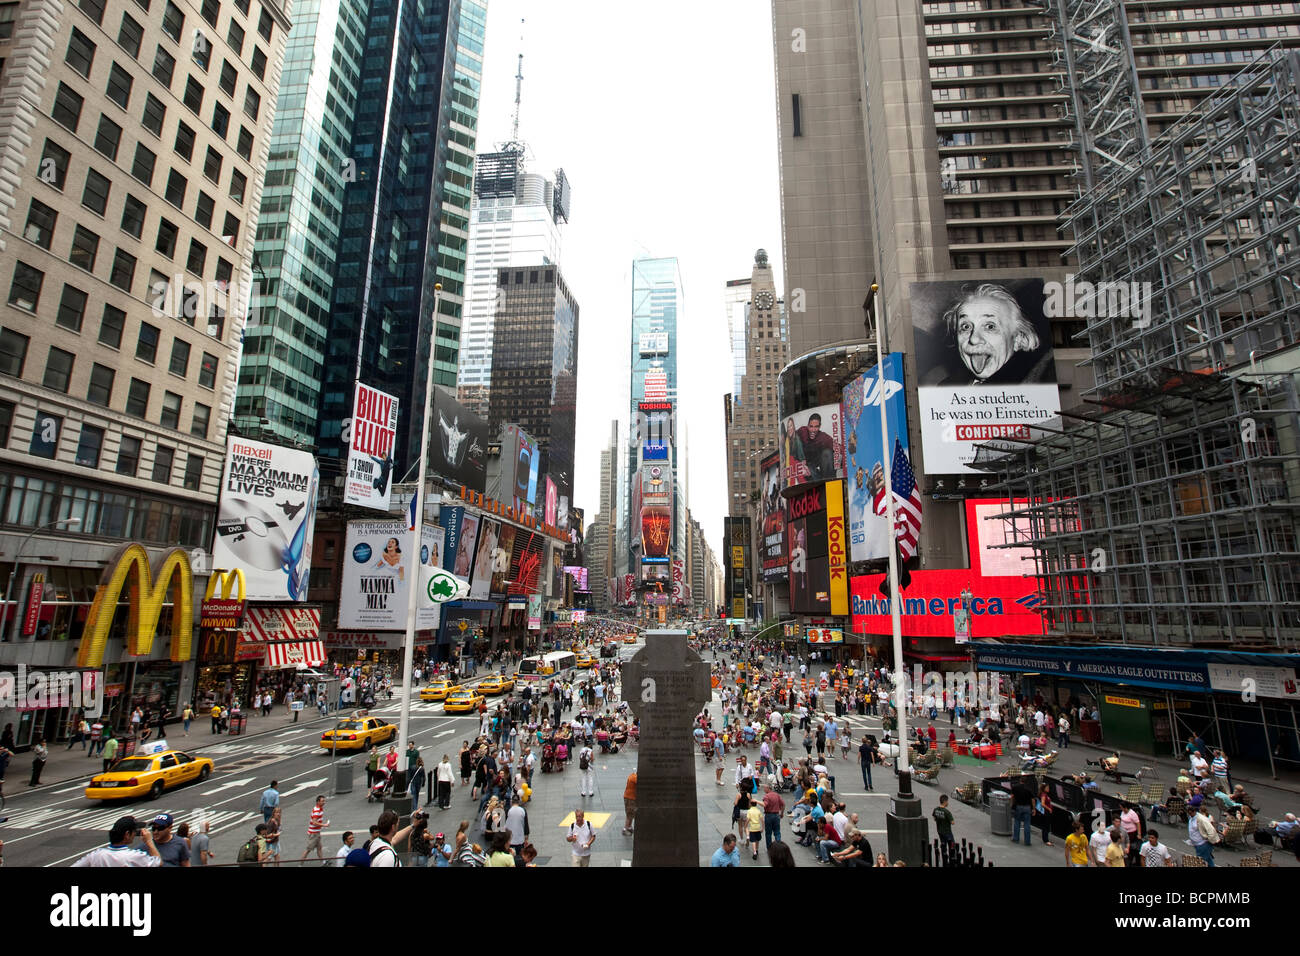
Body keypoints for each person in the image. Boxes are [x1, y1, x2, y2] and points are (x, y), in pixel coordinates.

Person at [72, 816, 161, 867]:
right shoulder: (134, 856)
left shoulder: (96, 855)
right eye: (134, 831)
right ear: (127, 834)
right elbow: (158, 862)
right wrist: (149, 841)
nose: (135, 834)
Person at [504, 800, 528, 867]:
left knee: (510, 853)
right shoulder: (523, 810)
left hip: (510, 837)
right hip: (519, 838)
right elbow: (526, 824)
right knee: (520, 856)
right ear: (519, 802)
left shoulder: (508, 810)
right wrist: (526, 837)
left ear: (512, 802)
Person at [761, 782, 784, 848]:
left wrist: (757, 801)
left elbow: (765, 804)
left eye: (764, 788)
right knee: (777, 832)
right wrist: (781, 813)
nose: (764, 789)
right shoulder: (777, 795)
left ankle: (769, 847)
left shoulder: (766, 796)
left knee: (768, 833)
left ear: (768, 788)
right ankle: (779, 846)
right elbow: (783, 804)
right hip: (776, 815)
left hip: (768, 815)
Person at [1010, 780, 1033, 845]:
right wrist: (1033, 809)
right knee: (1027, 824)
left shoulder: (1015, 787)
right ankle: (1027, 841)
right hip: (1027, 807)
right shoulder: (1028, 788)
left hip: (1018, 806)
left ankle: (1016, 838)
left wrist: (1012, 804)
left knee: (1017, 822)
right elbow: (1032, 799)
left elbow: (1012, 796)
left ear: (1020, 780)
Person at [306, 795, 328, 861]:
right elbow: (314, 822)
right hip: (313, 833)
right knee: (308, 849)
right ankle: (300, 864)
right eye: (322, 801)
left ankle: (323, 862)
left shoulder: (319, 809)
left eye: (324, 801)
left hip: (316, 832)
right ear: (318, 802)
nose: (324, 802)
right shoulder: (317, 810)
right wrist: (324, 825)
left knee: (319, 847)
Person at [622, 769, 637, 835]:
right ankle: (625, 828)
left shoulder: (632, 775)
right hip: (630, 798)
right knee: (629, 814)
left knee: (631, 813)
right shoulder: (634, 778)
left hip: (630, 797)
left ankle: (629, 827)